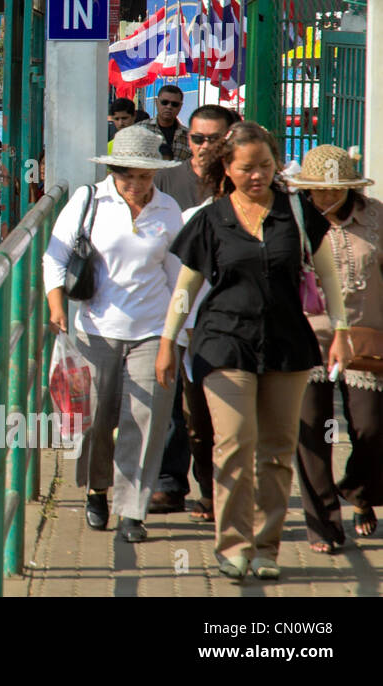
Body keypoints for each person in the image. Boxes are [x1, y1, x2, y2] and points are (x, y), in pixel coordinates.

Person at [158, 121, 351, 580]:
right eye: (247, 168)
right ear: (227, 167)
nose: (257, 175)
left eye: (265, 166)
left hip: (287, 344)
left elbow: (328, 278)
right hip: (223, 343)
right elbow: (186, 289)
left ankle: (267, 548)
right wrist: (168, 341)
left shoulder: (299, 213)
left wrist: (341, 331)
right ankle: (233, 547)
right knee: (234, 445)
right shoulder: (210, 218)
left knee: (278, 450)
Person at [42, 125, 184, 544]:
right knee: (95, 419)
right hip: (95, 329)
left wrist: (173, 339)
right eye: (128, 176)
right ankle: (97, 489)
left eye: (145, 176)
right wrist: (56, 307)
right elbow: (55, 257)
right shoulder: (90, 201)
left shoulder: (169, 209)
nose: (137, 186)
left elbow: (179, 279)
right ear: (113, 171)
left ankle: (132, 510)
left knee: (146, 419)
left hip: (152, 329)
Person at [291, 145, 383, 554]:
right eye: (318, 191)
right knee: (312, 432)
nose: (326, 198)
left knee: (370, 427)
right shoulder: (291, 218)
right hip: (307, 334)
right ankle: (323, 524)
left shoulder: (376, 217)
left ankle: (359, 491)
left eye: (335, 190)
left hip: (364, 334)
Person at [149, 104, 238, 515]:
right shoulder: (165, 181)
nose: (203, 147)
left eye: (213, 139)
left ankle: (212, 487)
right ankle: (169, 482)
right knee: (173, 405)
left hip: (226, 314)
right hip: (172, 305)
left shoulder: (240, 183)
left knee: (210, 409)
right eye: (197, 138)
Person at [140, 84, 189, 161]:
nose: (169, 107)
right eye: (164, 102)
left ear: (180, 106)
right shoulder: (140, 130)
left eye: (174, 104)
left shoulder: (188, 136)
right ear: (156, 102)